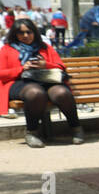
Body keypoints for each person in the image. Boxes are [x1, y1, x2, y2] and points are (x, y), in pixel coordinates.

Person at [2, 17, 83, 148]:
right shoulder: (7, 49)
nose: (26, 35)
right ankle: (32, 132)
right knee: (35, 92)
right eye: (21, 33)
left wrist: (45, 64)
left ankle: (76, 128)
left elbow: (61, 67)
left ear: (34, 32)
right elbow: (2, 73)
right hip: (19, 83)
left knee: (61, 93)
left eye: (29, 32)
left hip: (47, 79)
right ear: (15, 34)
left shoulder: (45, 47)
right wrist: (22, 68)